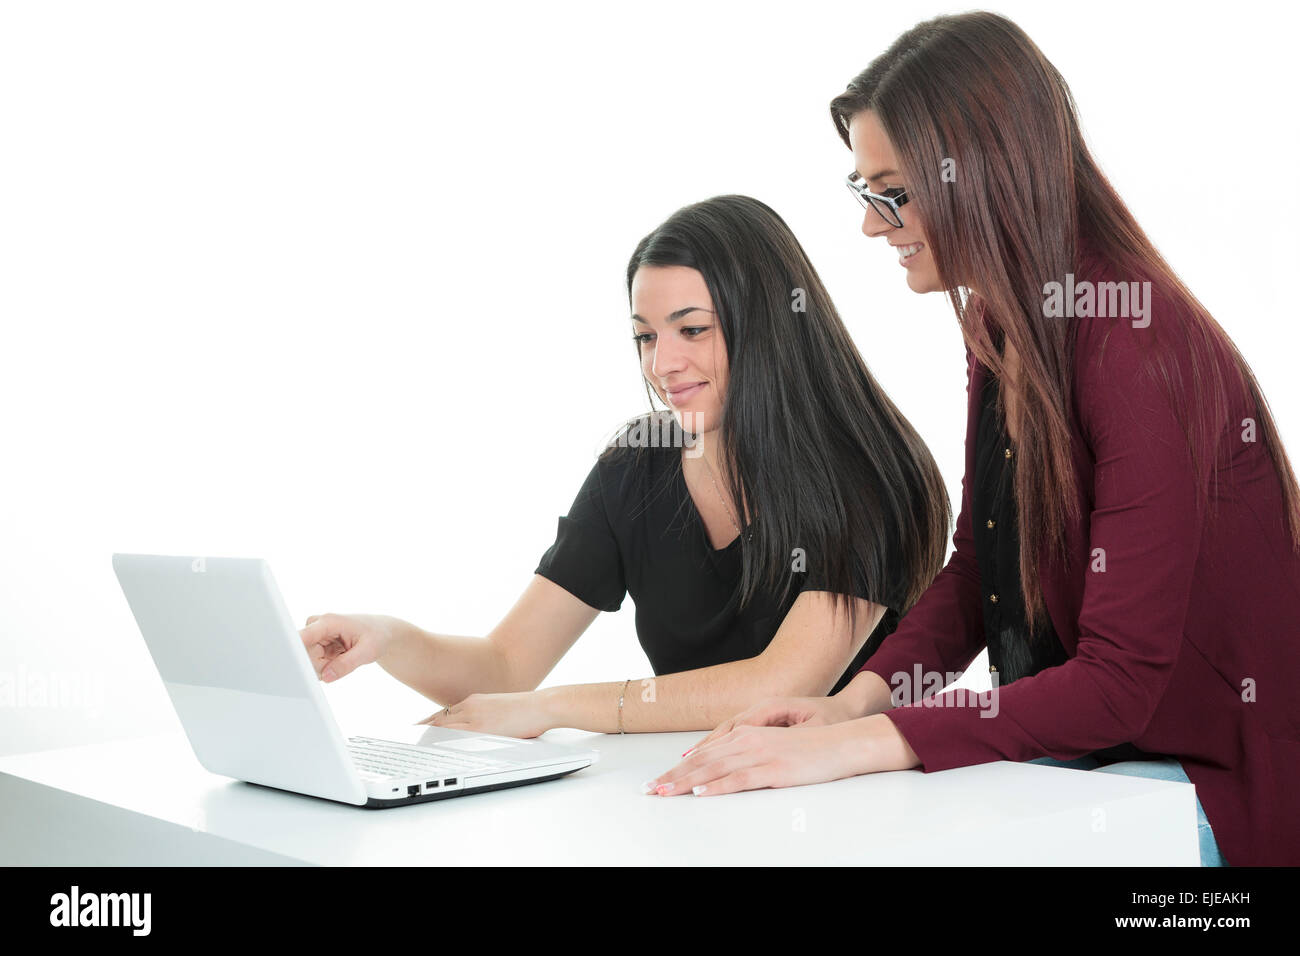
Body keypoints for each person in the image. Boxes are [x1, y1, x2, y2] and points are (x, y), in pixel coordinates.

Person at [649, 12, 1300, 868]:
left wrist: (868, 742)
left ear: (985, 174)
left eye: (895, 192)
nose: (874, 226)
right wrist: (855, 705)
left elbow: (1119, 685)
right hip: (1096, 770)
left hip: (1219, 796)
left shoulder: (1138, 343)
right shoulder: (1003, 322)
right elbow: (976, 567)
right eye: (866, 193)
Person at [298, 194, 950, 738]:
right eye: (645, 335)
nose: (662, 364)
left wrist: (552, 709)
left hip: (855, 815)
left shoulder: (867, 475)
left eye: (692, 330)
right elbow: (504, 667)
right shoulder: (634, 470)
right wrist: (387, 638)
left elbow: (778, 686)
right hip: (688, 805)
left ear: (770, 326)